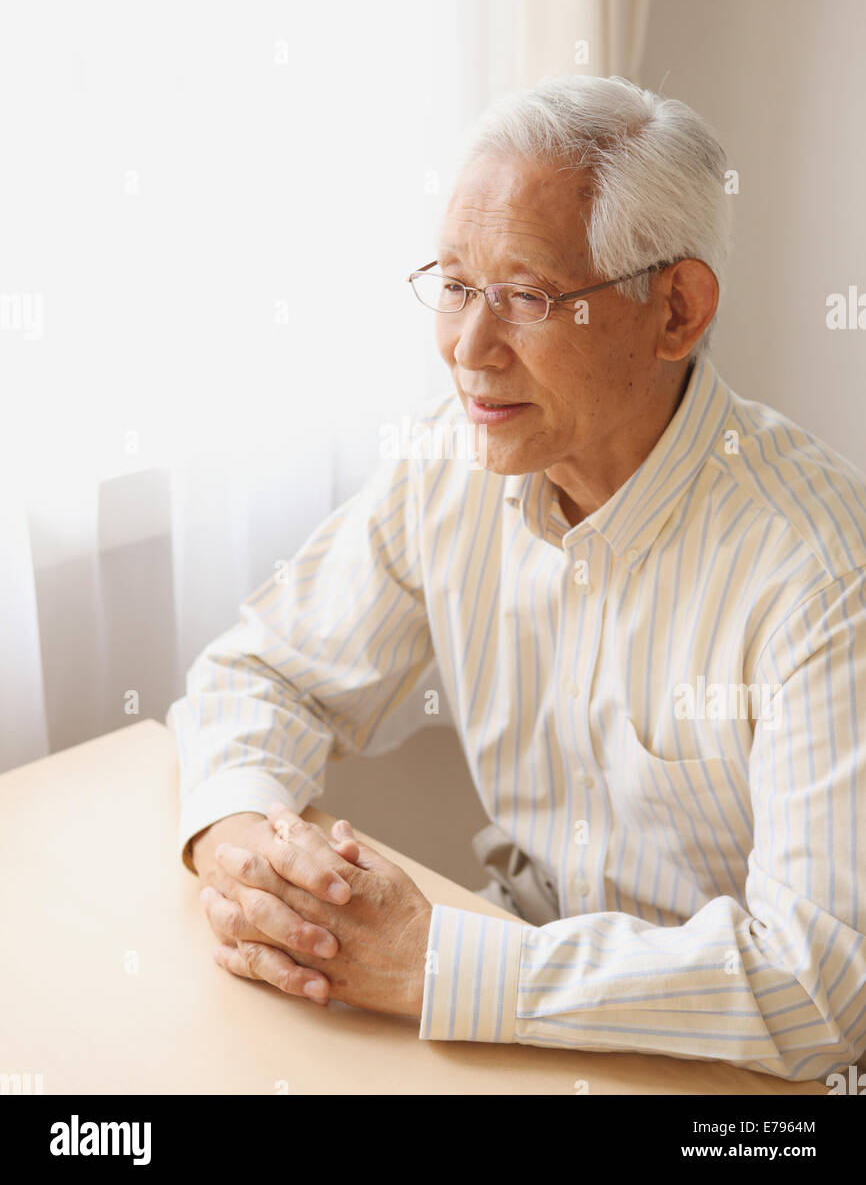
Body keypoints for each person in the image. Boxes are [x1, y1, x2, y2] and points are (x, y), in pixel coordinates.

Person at [167, 74, 866, 1081]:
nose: (465, 348)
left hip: (744, 1087)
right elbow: (261, 670)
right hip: (516, 1040)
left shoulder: (822, 570)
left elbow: (820, 987)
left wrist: (440, 964)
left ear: (673, 309)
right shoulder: (445, 465)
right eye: (453, 285)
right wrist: (238, 833)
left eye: (526, 297)